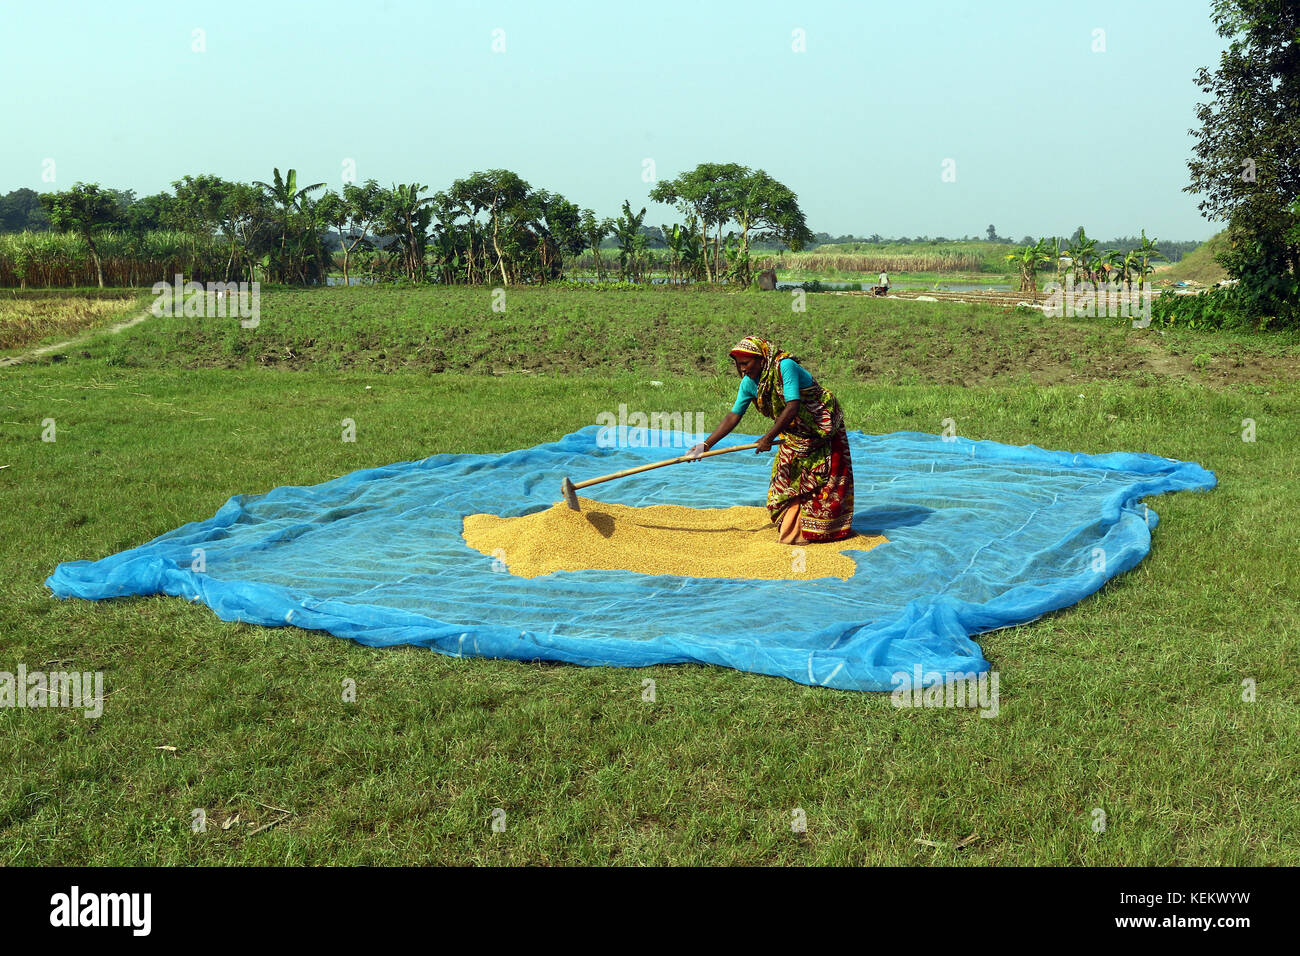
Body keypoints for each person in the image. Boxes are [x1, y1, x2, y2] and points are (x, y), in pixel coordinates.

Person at [688, 336, 854, 544]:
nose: (743, 370)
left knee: (823, 478)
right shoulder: (749, 384)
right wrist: (705, 445)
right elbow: (733, 416)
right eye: (739, 365)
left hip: (821, 427)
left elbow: (792, 405)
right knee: (783, 479)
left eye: (746, 364)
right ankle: (794, 526)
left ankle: (820, 530)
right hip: (794, 432)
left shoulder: (785, 366)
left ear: (761, 359)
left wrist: (768, 438)